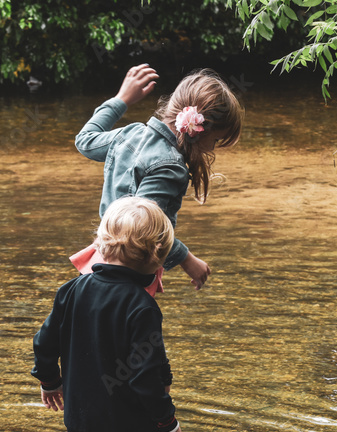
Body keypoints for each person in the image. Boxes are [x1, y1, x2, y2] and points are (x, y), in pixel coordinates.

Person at [32, 197, 183, 432]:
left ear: (99, 243)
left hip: (81, 424)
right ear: (157, 259)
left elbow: (44, 341)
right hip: (127, 426)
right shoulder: (141, 307)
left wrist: (50, 382)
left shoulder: (71, 290)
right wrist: (168, 424)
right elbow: (148, 375)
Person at [72, 64, 243, 293]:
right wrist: (188, 259)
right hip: (127, 275)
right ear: (199, 129)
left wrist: (121, 99)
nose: (213, 148)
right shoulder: (170, 167)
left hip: (101, 262)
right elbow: (143, 229)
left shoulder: (130, 134)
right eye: (217, 140)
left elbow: (85, 140)